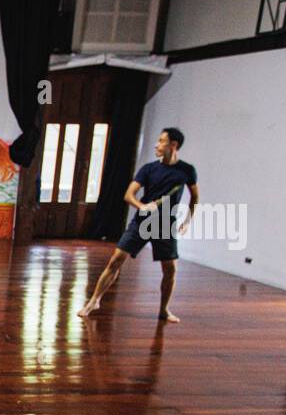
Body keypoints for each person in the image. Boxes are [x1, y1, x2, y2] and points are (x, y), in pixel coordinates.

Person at [79, 127, 199, 323]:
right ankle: (94, 301)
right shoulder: (149, 169)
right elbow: (128, 195)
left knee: (170, 270)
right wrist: (142, 206)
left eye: (161, 141)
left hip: (165, 225)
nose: (156, 145)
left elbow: (194, 197)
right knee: (116, 260)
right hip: (143, 222)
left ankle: (164, 310)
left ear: (173, 145)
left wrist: (187, 222)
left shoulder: (186, 171)